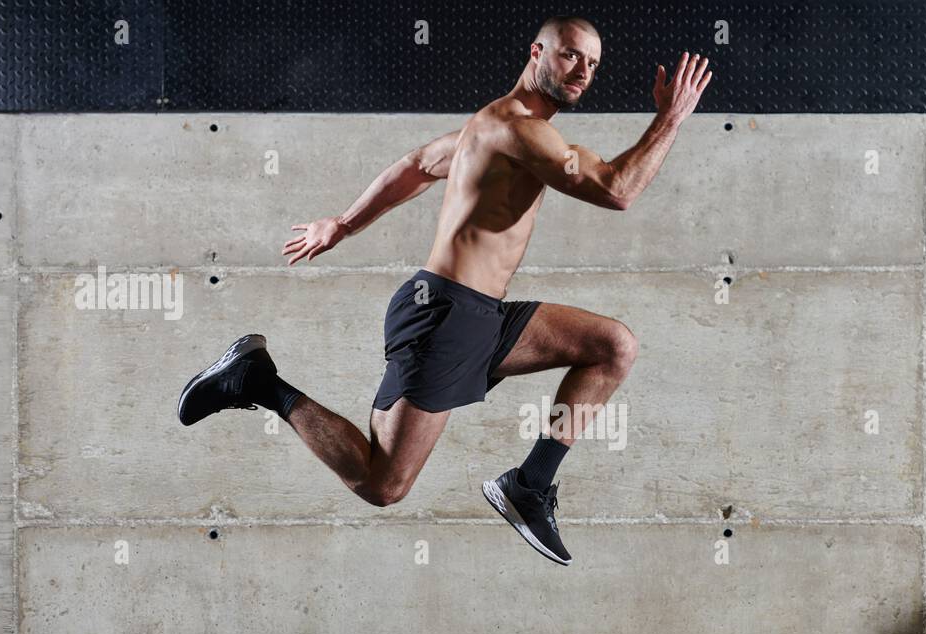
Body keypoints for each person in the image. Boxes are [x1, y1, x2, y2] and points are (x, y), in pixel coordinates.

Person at [178, 15, 712, 565]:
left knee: (612, 346)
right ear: (538, 52)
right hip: (445, 316)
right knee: (383, 485)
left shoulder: (492, 130)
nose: (582, 71)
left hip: (479, 315)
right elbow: (617, 190)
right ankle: (259, 381)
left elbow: (416, 165)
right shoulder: (518, 128)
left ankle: (530, 484)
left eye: (593, 64)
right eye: (572, 55)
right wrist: (670, 118)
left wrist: (341, 224)